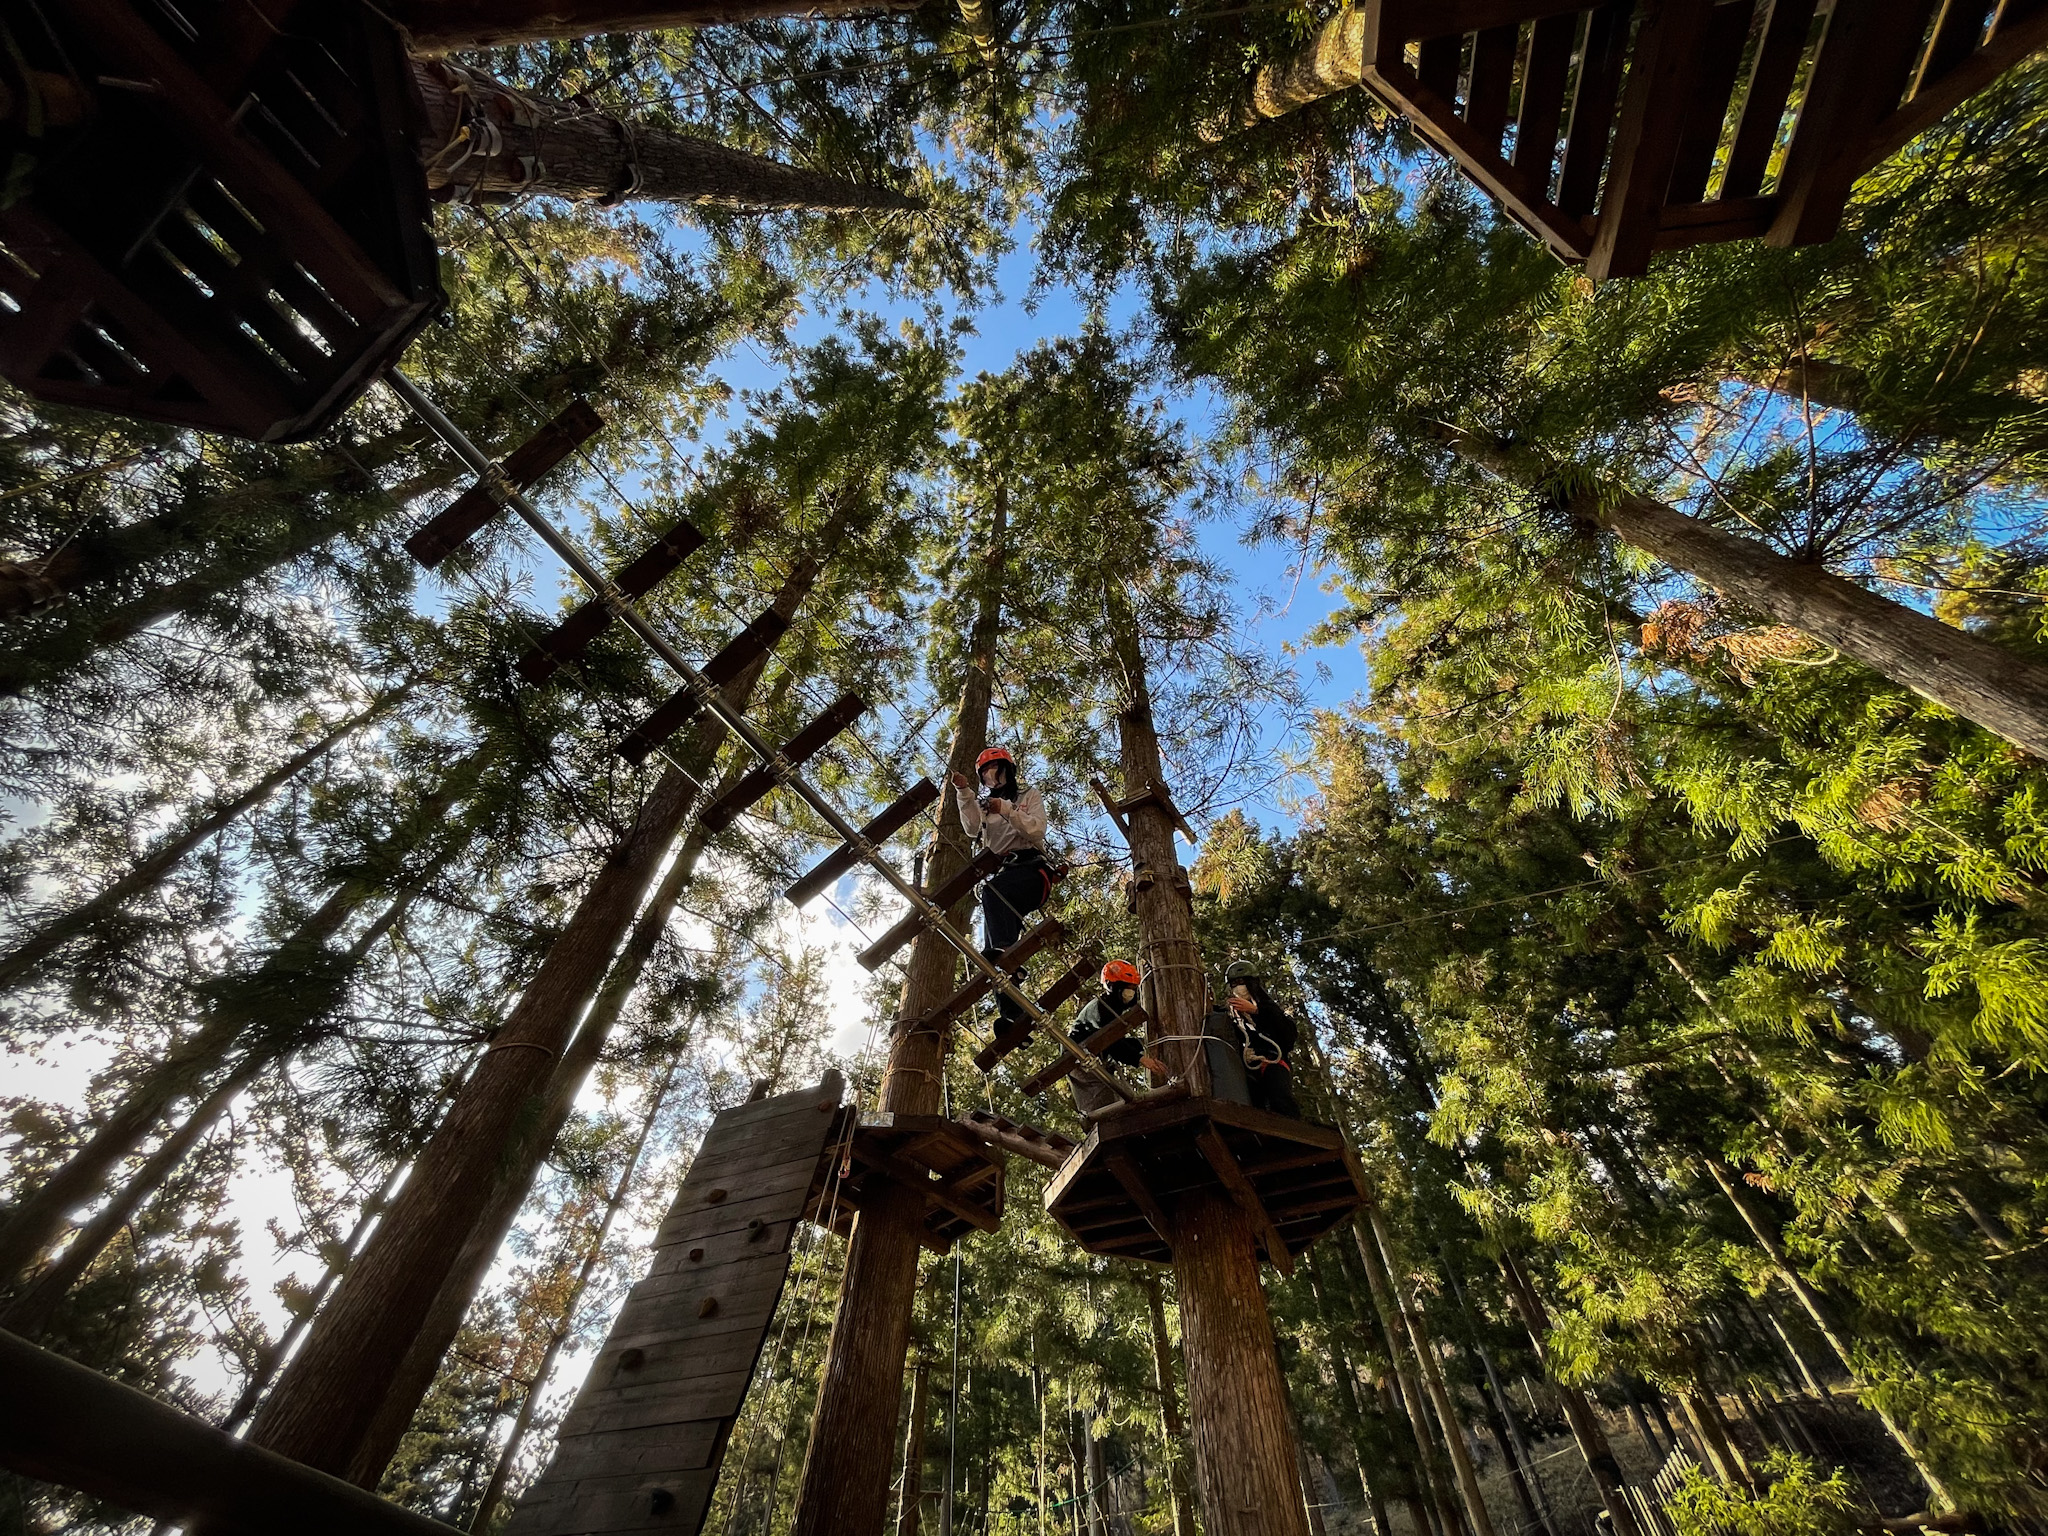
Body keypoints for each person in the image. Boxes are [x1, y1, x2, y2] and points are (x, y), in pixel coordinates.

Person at [952, 746, 1050, 1027]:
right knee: (993, 951)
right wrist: (964, 792)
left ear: (1008, 769)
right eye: (985, 773)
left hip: (1031, 872)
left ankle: (1007, 956)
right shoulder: (986, 807)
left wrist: (1006, 809)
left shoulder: (1027, 796)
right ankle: (1012, 1015)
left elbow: (1036, 830)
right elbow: (972, 827)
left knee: (992, 897)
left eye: (994, 769)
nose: (991, 776)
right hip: (1004, 878)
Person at [1067, 960, 1150, 1114]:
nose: (1130, 992)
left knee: (1116, 1098)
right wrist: (1140, 1058)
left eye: (1133, 988)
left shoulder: (1113, 1007)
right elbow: (1110, 1041)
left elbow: (1114, 1041)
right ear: (1114, 987)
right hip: (1079, 1060)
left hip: (1094, 1054)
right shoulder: (1101, 1008)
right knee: (1104, 1106)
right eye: (1127, 987)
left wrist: (1140, 1049)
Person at [1225, 970, 1300, 1118]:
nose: (1238, 987)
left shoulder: (1268, 1007)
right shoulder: (1233, 1016)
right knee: (1254, 1106)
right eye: (1233, 984)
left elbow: (1288, 1035)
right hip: (1249, 1068)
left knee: (1280, 1099)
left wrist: (1256, 1011)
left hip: (1274, 1061)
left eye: (1241, 982)